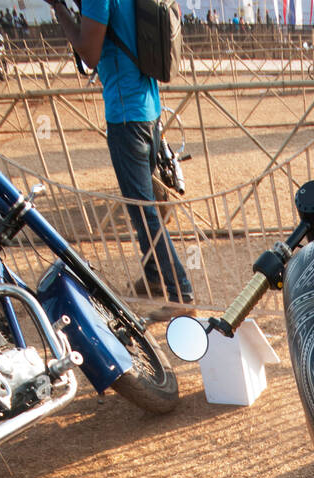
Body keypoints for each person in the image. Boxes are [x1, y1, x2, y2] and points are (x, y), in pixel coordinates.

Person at [46, 0, 193, 318]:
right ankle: (155, 278)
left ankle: (182, 293)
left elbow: (89, 53)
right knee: (141, 204)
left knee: (144, 211)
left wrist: (59, 10)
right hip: (148, 109)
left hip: (126, 116)